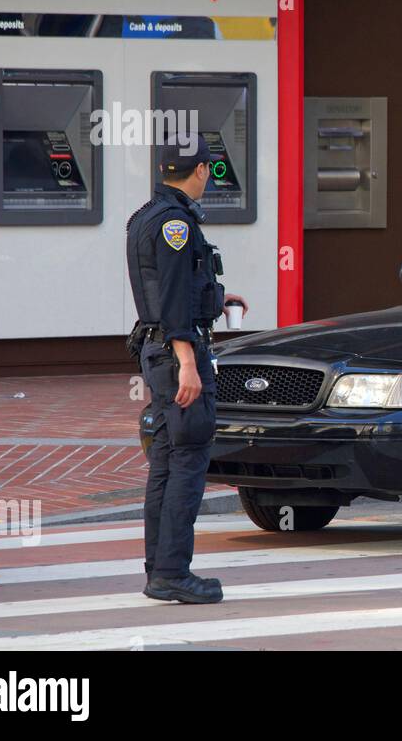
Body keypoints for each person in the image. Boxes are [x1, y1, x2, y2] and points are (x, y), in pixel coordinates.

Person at [125, 135, 248, 604]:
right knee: (188, 461)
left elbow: (166, 289)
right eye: (209, 171)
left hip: (155, 350)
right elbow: (174, 297)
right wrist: (189, 363)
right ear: (199, 171)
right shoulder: (177, 223)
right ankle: (174, 572)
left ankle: (159, 568)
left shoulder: (144, 218)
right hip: (177, 355)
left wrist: (217, 300)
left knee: (165, 461)